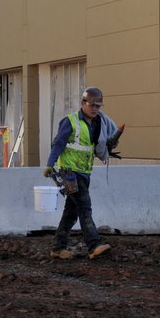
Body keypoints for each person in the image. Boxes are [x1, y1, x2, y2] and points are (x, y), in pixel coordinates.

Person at [43, 86, 119, 260]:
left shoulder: (98, 123)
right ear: (83, 103)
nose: (95, 109)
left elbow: (97, 145)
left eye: (98, 106)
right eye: (92, 105)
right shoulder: (70, 121)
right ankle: (94, 245)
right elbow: (58, 143)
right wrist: (50, 164)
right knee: (85, 207)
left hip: (84, 173)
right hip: (69, 173)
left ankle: (58, 247)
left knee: (71, 212)